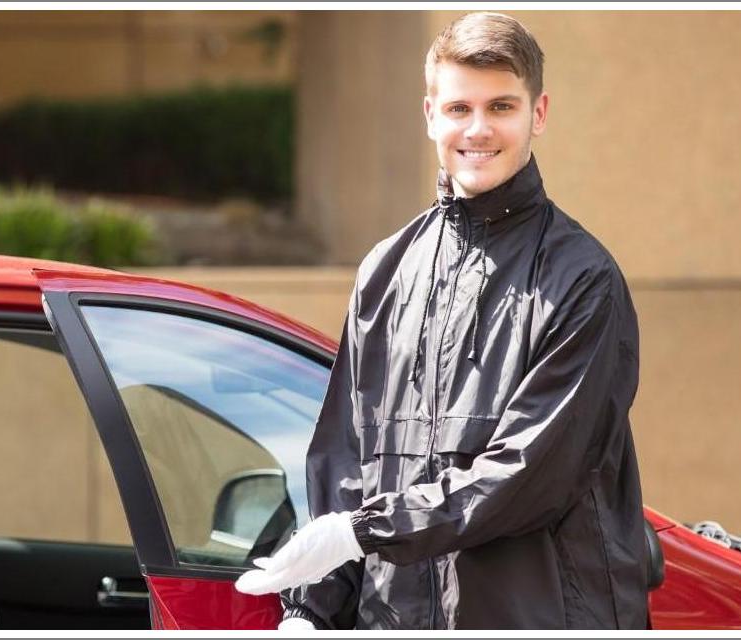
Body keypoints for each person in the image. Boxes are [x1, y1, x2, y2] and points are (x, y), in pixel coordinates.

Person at [235, 12, 648, 630]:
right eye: (459, 108)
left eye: (501, 107)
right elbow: (349, 461)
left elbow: (526, 475)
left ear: (538, 114)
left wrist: (360, 532)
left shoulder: (583, 280)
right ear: (430, 113)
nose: (478, 129)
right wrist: (311, 610)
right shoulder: (385, 271)